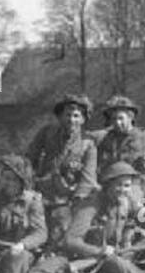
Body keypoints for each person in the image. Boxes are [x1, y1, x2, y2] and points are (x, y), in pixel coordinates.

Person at [57, 162, 145, 273]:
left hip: (120, 254)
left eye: (127, 185)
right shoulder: (90, 207)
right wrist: (99, 251)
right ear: (108, 184)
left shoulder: (127, 202)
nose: (123, 190)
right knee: (122, 265)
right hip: (95, 260)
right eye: (118, 185)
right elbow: (70, 241)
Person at [25, 94, 98, 237]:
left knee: (62, 230)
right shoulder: (47, 133)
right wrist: (28, 187)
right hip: (41, 193)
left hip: (67, 199)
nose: (71, 120)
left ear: (83, 119)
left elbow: (87, 180)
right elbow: (29, 160)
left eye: (76, 116)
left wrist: (75, 201)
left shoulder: (88, 144)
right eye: (67, 115)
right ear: (60, 117)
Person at [92, 95, 145, 195]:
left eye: (121, 118)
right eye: (113, 119)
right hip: (114, 189)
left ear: (130, 117)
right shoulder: (105, 138)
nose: (117, 122)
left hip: (141, 189)